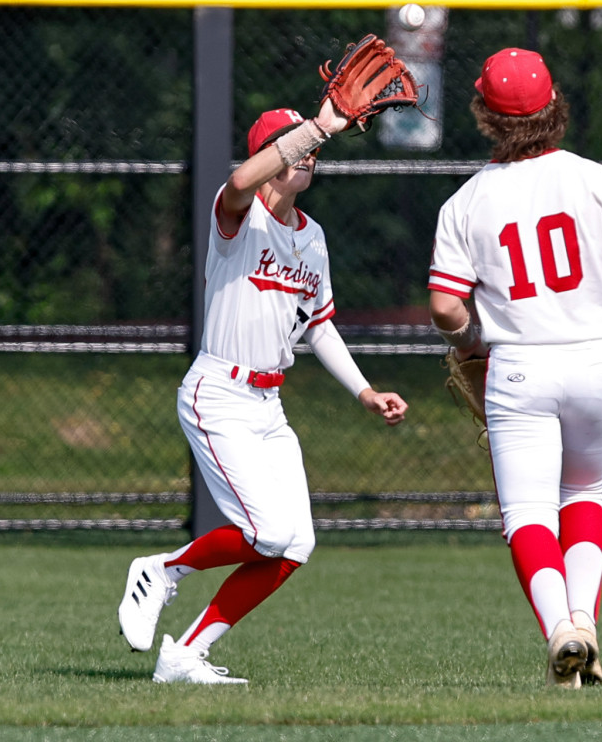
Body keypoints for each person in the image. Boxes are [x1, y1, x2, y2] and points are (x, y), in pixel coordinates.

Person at [427, 48, 602, 689]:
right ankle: (585, 623)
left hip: (519, 366)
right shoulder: (595, 178)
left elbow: (445, 304)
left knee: (527, 513)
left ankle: (561, 632)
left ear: (484, 117)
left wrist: (469, 340)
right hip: (598, 359)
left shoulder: (466, 201)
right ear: (555, 108)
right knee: (583, 495)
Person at [118, 98, 409, 685]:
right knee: (265, 533)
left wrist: (363, 391)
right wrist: (318, 127)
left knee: (295, 543)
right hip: (218, 393)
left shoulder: (314, 237)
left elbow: (320, 323)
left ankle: (185, 655)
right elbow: (237, 180)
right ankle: (163, 570)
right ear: (271, 154)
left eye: (313, 148)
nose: (309, 153)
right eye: (293, 145)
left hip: (268, 406)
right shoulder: (238, 218)